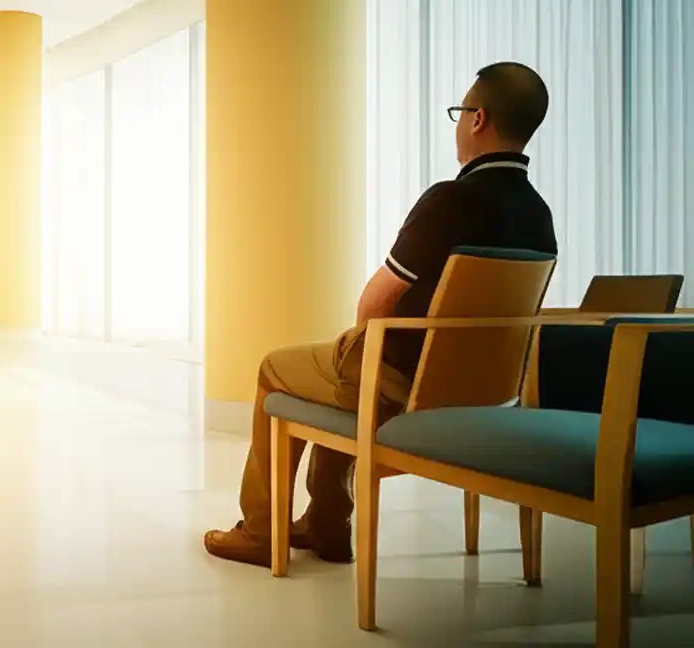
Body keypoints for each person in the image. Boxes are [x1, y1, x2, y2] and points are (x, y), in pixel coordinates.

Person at [204, 62, 560, 567]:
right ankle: (326, 525)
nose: (458, 125)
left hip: (402, 381)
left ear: (478, 119)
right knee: (344, 381)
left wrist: (358, 349)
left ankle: (262, 531)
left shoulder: (450, 199)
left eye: (461, 113)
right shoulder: (539, 214)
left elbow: (377, 300)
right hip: (481, 392)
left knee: (279, 368)